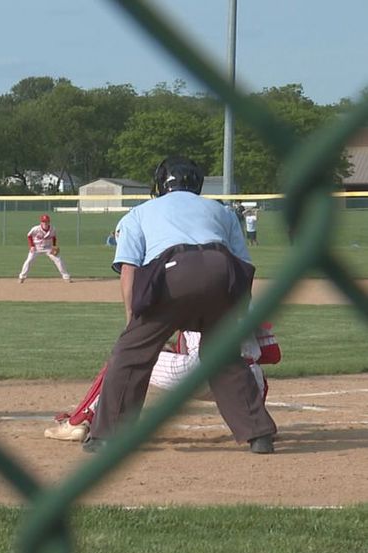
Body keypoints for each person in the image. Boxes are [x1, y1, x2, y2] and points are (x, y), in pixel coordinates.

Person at [82, 155, 277, 454]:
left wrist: (132, 322)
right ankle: (259, 434)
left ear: (161, 184)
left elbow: (129, 270)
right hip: (221, 272)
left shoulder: (139, 212)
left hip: (174, 273)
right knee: (222, 354)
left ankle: (107, 436)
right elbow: (243, 266)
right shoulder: (221, 211)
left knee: (131, 355)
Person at [45, 324, 281, 441]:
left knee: (125, 361)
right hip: (244, 377)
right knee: (256, 372)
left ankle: (80, 421)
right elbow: (272, 355)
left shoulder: (193, 290)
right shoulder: (249, 300)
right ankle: (257, 427)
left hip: (198, 371)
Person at [18, 214, 71, 283]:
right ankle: (22, 277)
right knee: (29, 261)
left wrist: (54, 246)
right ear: (41, 222)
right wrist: (32, 246)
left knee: (58, 260)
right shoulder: (36, 229)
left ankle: (66, 277)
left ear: (49, 222)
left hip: (48, 247)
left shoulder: (52, 229)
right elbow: (29, 236)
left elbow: (54, 237)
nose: (45, 223)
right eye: (43, 221)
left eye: (46, 221)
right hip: (36, 248)